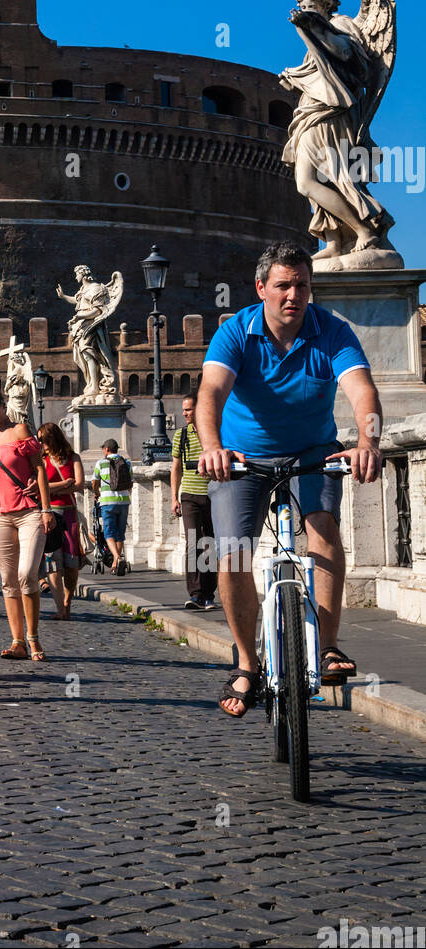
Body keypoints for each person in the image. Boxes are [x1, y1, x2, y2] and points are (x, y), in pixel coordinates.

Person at [197, 241, 383, 718]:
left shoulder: (332, 332)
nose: (293, 295)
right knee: (232, 550)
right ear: (261, 288)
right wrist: (213, 447)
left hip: (311, 450)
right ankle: (246, 662)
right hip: (243, 456)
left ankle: (326, 647)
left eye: (301, 284)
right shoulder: (235, 332)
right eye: (282, 285)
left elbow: (361, 390)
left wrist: (369, 443)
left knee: (323, 528)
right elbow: (211, 392)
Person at [0, 386, 55, 662]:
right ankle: (18, 641)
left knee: (26, 574)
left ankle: (33, 638)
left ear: (3, 404)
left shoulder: (21, 431)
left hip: (29, 513)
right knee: (8, 581)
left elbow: (39, 468)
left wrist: (46, 508)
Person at [170, 390, 216, 611]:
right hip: (189, 495)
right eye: (184, 410)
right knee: (192, 543)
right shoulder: (182, 435)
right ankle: (196, 594)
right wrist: (174, 497)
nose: (185, 413)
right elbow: (175, 467)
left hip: (214, 494)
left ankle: (209, 593)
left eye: (188, 409)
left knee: (210, 544)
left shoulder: (215, 431)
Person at [37, 423, 84, 620]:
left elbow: (80, 484)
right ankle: (60, 608)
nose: (40, 443)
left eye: (43, 439)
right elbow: (38, 487)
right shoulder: (41, 460)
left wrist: (51, 488)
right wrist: (64, 485)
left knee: (72, 563)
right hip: (50, 514)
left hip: (70, 514)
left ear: (53, 438)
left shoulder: (73, 458)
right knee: (53, 562)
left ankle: (68, 600)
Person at [91, 439, 132, 576]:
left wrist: (97, 493)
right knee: (120, 533)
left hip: (107, 502)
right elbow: (130, 483)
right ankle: (115, 563)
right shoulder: (126, 463)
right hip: (124, 502)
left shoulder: (101, 463)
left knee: (109, 533)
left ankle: (117, 558)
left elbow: (94, 483)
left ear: (107, 449)